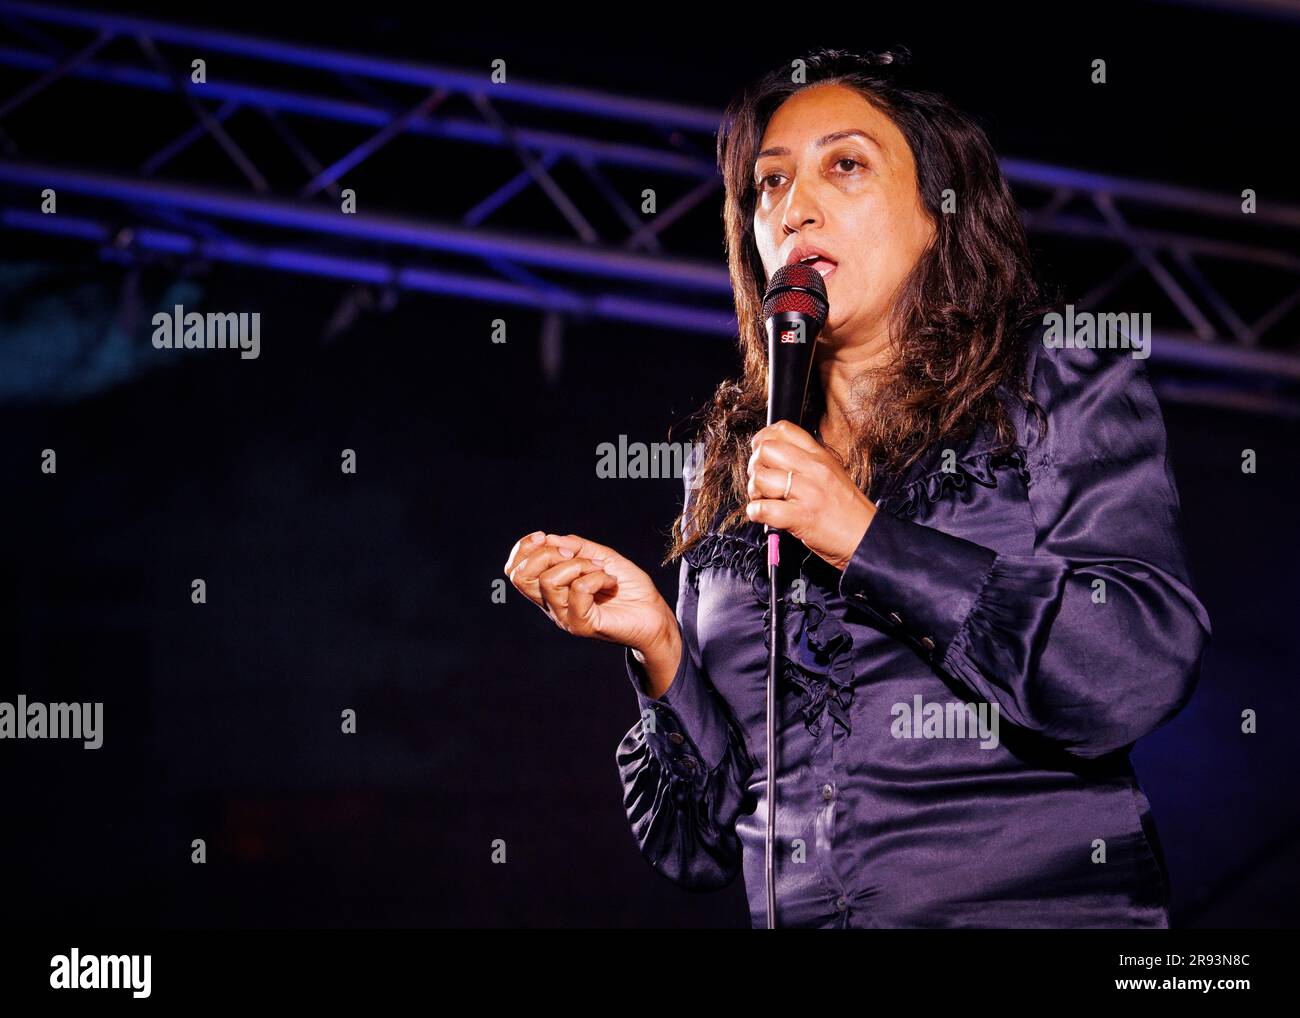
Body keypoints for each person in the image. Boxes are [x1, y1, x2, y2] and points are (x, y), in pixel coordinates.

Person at [503, 48, 1212, 928]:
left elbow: (1135, 664)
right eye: (768, 185)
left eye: (846, 166)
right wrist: (657, 646)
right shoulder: (733, 464)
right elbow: (698, 845)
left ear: (937, 212)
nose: (796, 209)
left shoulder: (1051, 383)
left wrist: (867, 538)